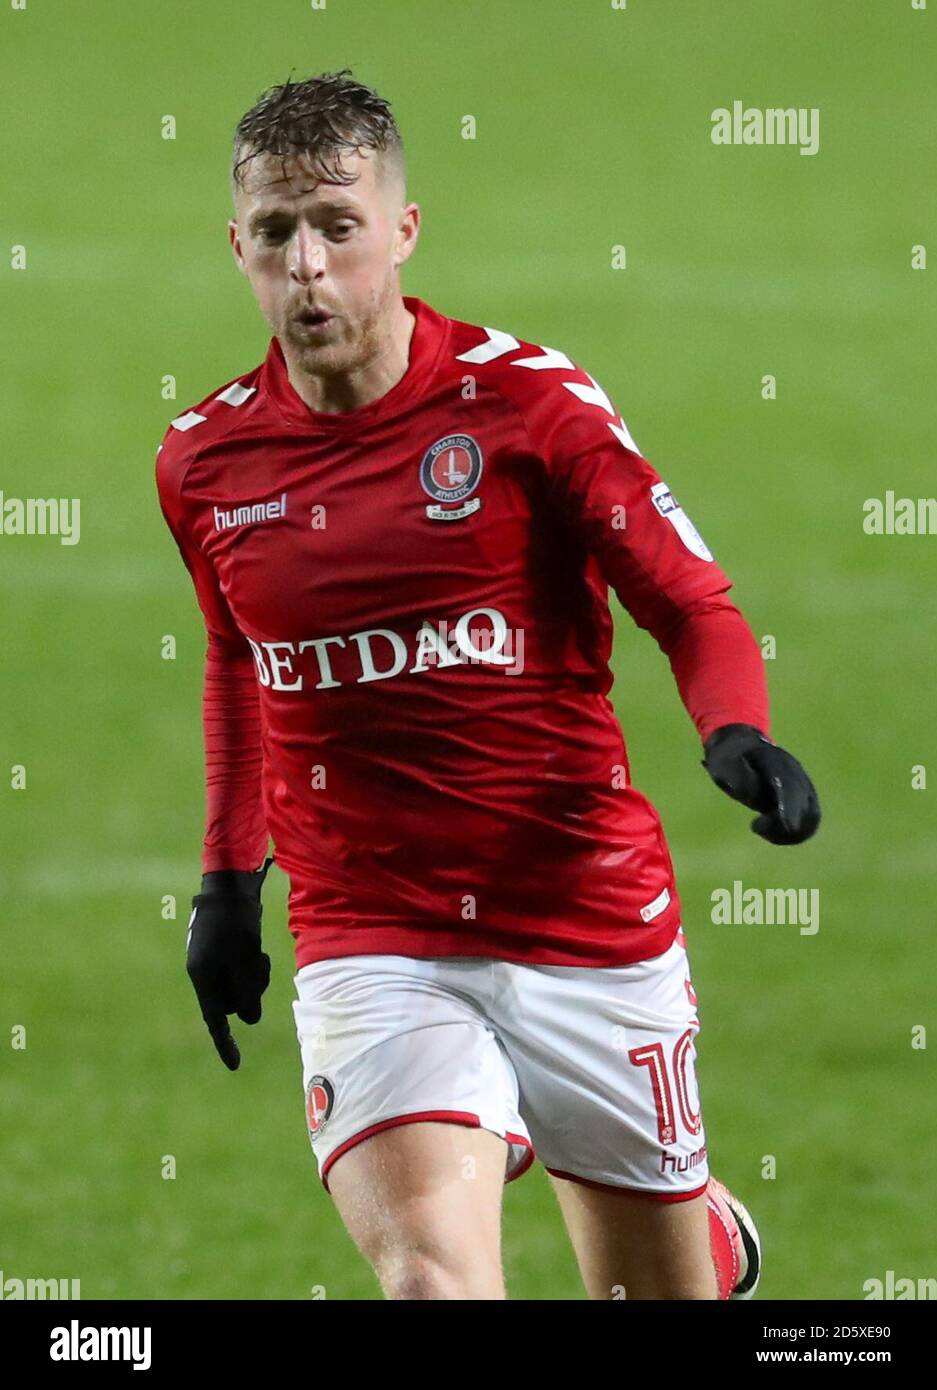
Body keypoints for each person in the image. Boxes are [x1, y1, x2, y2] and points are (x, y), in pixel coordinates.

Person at [156, 69, 820, 1300]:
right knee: (429, 1280)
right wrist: (227, 884)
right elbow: (238, 660)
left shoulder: (526, 406)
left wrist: (735, 729)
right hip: (370, 924)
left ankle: (703, 1239)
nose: (306, 267)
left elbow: (685, 599)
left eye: (336, 227)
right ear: (237, 245)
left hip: (575, 900)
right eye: (275, 233)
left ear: (401, 230)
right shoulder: (204, 461)